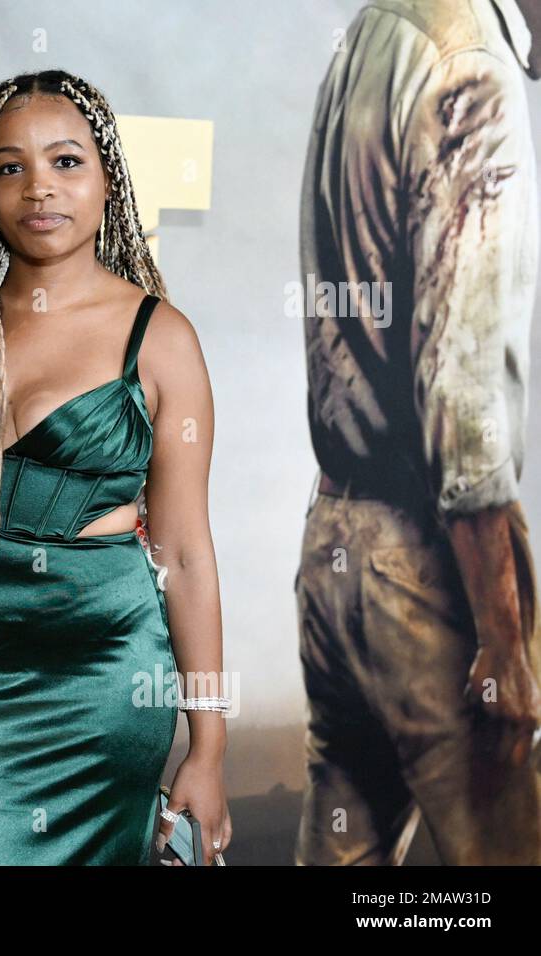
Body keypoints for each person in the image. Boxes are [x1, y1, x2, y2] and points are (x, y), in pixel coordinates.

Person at [0, 69, 230, 865]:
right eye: (10, 167)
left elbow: (184, 554)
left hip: (103, 669)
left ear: (109, 179)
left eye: (67, 162)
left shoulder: (162, 336)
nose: (39, 189)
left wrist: (208, 746)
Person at [296, 0, 541, 864]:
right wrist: (504, 641)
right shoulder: (470, 61)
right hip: (430, 569)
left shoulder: (379, 28)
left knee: (342, 854)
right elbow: (463, 385)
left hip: (335, 540)